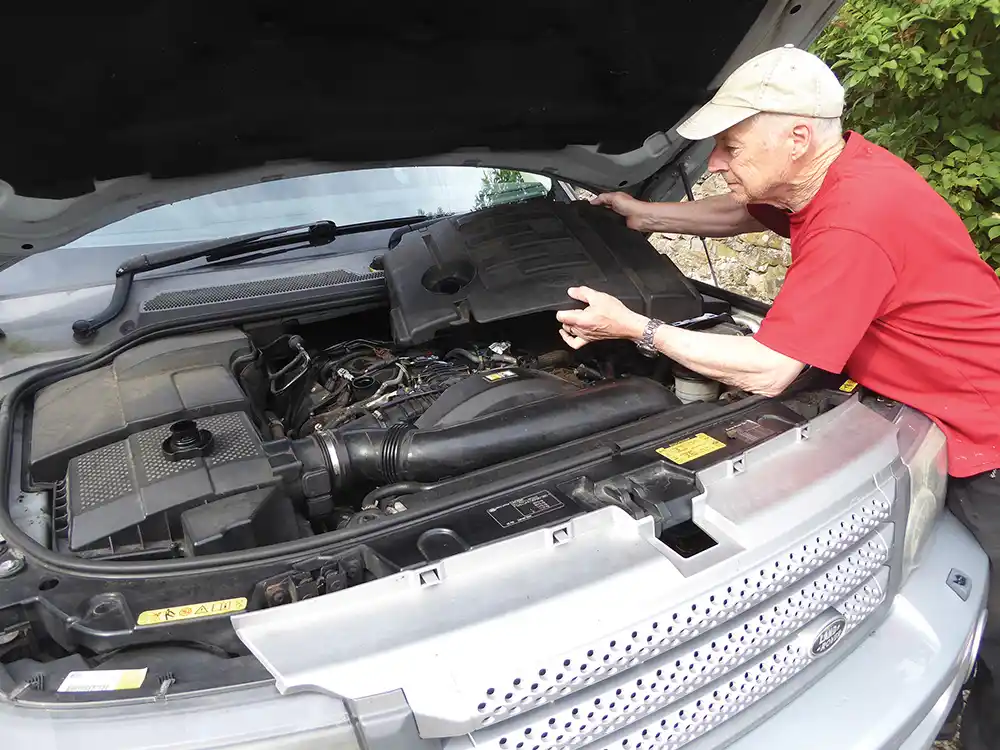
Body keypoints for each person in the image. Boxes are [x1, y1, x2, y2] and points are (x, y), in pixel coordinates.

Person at [555, 44, 1000, 746]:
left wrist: (636, 328)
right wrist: (643, 214)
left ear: (797, 136)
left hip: (983, 424)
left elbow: (767, 372)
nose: (719, 165)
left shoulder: (856, 218)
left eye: (731, 146)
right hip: (937, 401)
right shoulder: (830, 174)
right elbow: (745, 213)